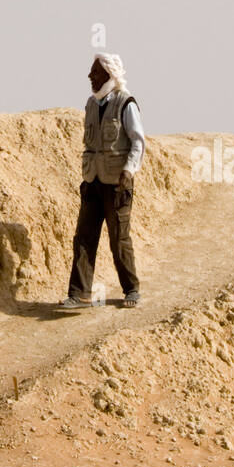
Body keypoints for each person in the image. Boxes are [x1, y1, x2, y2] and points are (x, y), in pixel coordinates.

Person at [60, 52, 144, 310]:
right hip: (92, 181)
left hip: (117, 183)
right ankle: (78, 294)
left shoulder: (125, 103)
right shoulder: (90, 104)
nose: (90, 77)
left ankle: (131, 289)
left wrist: (129, 171)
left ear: (109, 75)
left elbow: (138, 142)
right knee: (84, 237)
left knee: (119, 239)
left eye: (95, 72)